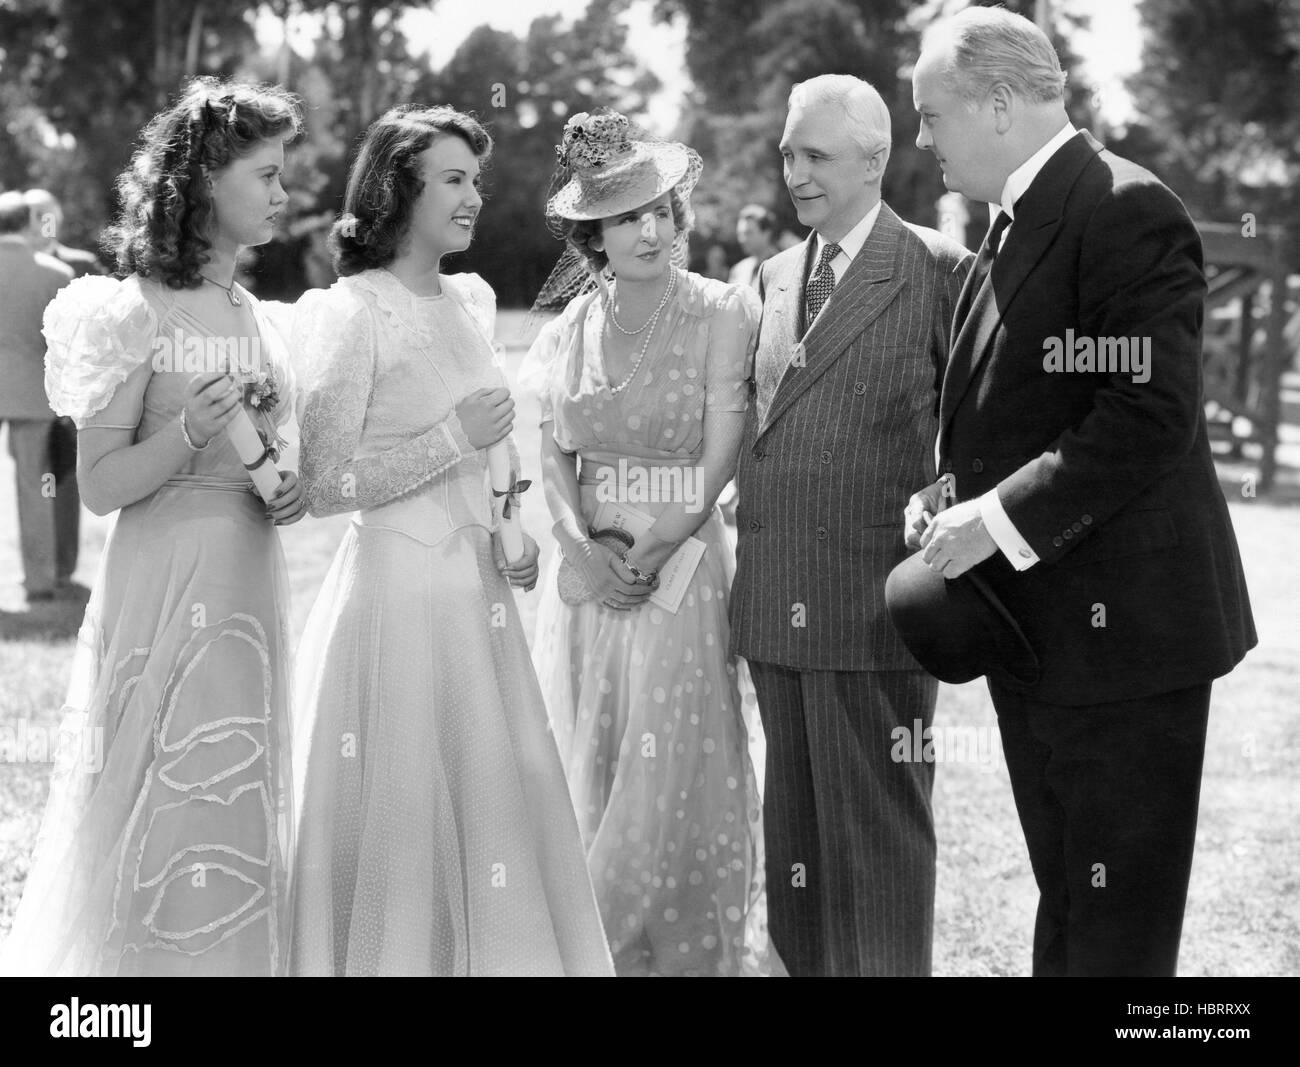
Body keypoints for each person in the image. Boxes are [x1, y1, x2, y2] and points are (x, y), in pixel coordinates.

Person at [907, 6, 1255, 976]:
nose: (924, 140)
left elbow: (1149, 411)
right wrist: (949, 493)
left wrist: (997, 516)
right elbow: (1018, 408)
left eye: (933, 116)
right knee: (1070, 900)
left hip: (1128, 648)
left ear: (1001, 105)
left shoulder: (1122, 207)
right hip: (1046, 639)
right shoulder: (1008, 224)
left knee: (1117, 936)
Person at [288, 105, 612, 977]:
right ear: (400, 190)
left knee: (493, 807)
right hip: (396, 600)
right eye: (455, 180)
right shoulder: (353, 313)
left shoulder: (469, 299)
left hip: (481, 598)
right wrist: (450, 441)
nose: (476, 196)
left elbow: (495, 454)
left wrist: (515, 529)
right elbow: (324, 484)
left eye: (478, 178)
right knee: (404, 810)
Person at [0, 77, 307, 976]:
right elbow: (96, 485)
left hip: (250, 579)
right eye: (266, 174)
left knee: (236, 786)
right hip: (166, 580)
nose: (283, 194)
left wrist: (288, 489)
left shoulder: (261, 318)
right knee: (162, 786)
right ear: (208, 179)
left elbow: (276, 458)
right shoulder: (132, 309)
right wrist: (188, 430)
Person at [522, 110, 780, 977]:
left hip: (682, 566)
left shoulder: (719, 311)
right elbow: (553, 449)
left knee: (666, 762)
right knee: (589, 747)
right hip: (591, 573)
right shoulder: (566, 329)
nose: (647, 228)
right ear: (591, 233)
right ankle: (593, 949)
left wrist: (654, 547)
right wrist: (577, 546)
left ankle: (673, 950)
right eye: (626, 215)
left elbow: (722, 450)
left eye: (659, 209)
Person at [728, 74, 973, 977]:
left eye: (816, 155)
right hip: (773, 604)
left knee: (877, 846)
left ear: (876, 161)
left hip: (871, 612)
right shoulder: (768, 275)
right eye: (788, 152)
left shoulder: (940, 269)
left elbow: (986, 431)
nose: (794, 171)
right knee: (792, 843)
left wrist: (949, 497)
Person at [26, 188, 109, 597]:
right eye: (31, 214)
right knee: (36, 480)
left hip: (72, 396)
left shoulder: (80, 265)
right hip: (28, 396)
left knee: (60, 480)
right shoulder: (18, 265)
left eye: (44, 214)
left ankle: (62, 567)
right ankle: (41, 568)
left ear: (55, 217)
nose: (38, 221)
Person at [0, 191, 73, 603]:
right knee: (37, 486)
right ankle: (41, 580)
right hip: (34, 392)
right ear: (27, 223)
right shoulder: (54, 273)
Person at [728, 203, 779, 288]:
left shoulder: (783, 267)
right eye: (740, 234)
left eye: (749, 233)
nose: (742, 239)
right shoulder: (738, 270)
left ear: (766, 233)